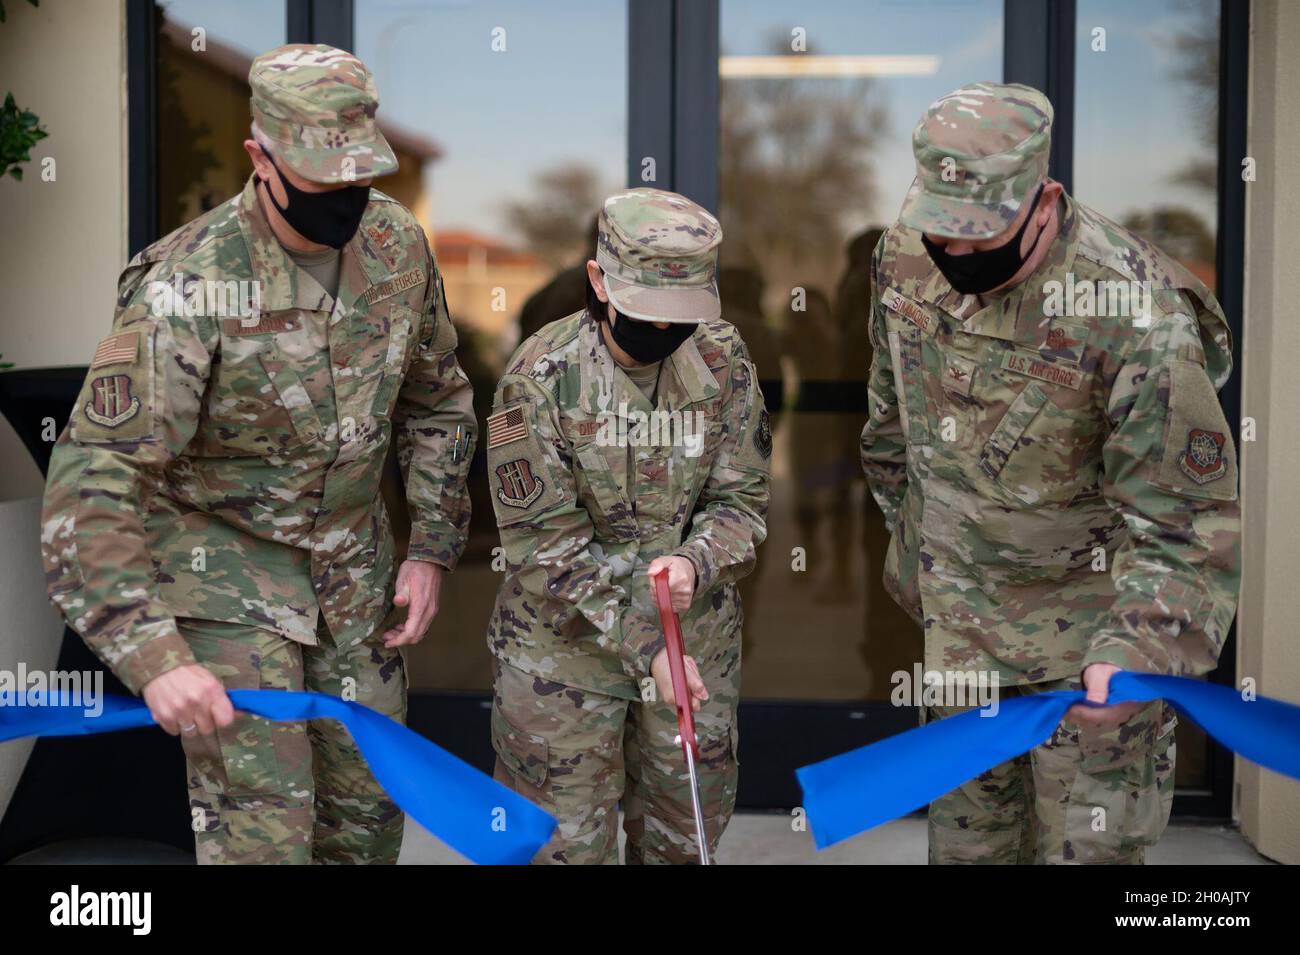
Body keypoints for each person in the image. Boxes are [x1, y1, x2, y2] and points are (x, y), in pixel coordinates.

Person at [40, 44, 476, 864]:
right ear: (260, 158)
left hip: (356, 577)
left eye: (360, 179)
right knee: (265, 837)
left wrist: (433, 546)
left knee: (369, 820)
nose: (346, 201)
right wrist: (154, 653)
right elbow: (93, 485)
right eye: (323, 182)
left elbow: (438, 397)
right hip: (226, 579)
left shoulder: (396, 247)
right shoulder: (189, 284)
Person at [860, 82, 1240, 864]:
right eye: (944, 231)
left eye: (981, 235)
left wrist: (1136, 651)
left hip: (1090, 664)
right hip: (961, 654)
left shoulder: (1134, 311)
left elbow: (1187, 529)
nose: (956, 253)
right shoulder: (902, 257)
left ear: (1045, 201)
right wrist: (929, 571)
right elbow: (890, 428)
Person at [485, 187, 771, 864]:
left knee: (682, 841)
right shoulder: (540, 379)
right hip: (564, 659)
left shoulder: (725, 360)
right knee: (560, 848)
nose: (667, 332)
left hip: (692, 650)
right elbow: (545, 550)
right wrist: (648, 649)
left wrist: (698, 561)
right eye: (648, 311)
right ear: (598, 282)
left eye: (684, 315)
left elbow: (743, 502)